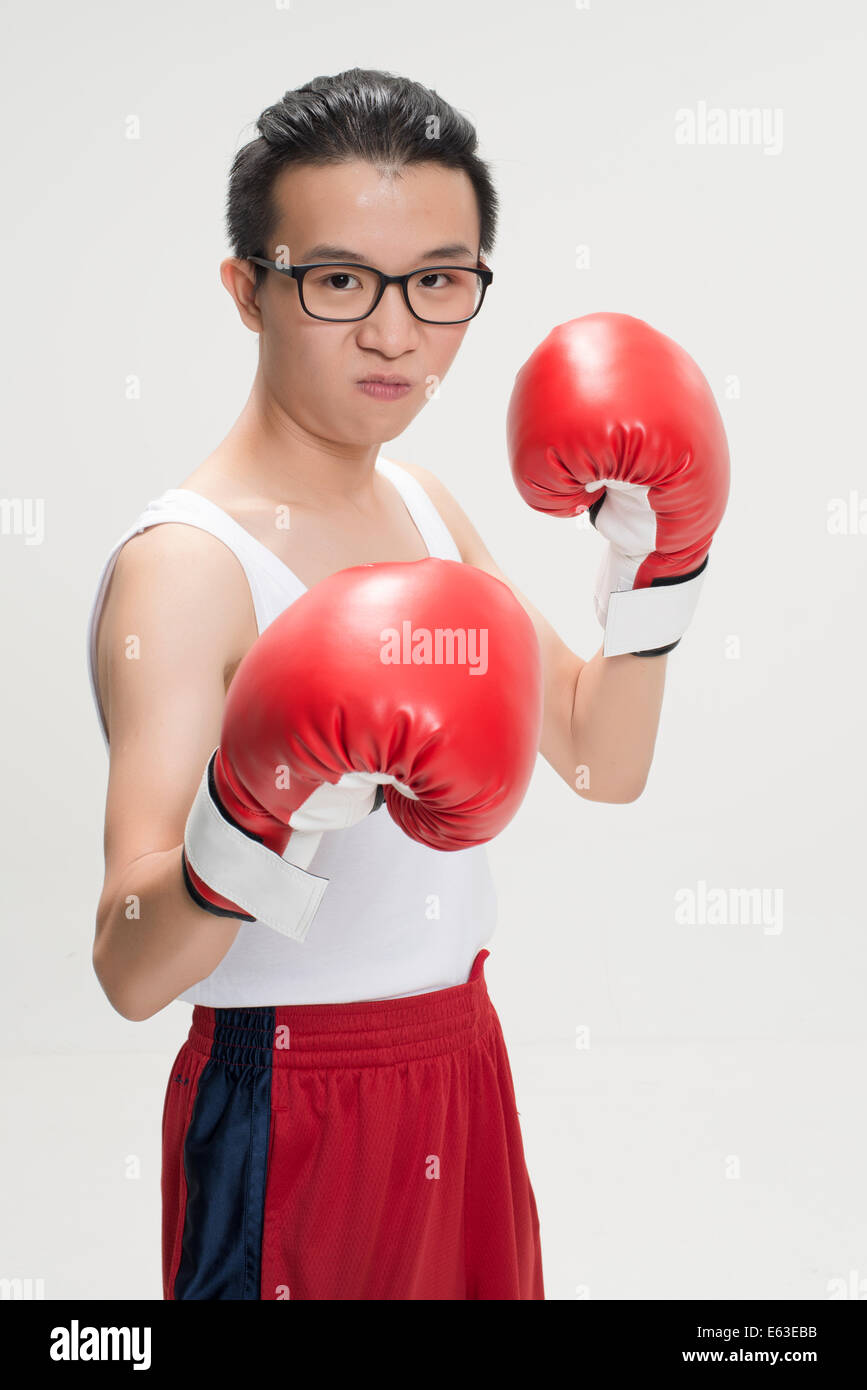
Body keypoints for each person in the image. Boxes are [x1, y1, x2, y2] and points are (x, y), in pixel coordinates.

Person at [86, 68, 727, 1301]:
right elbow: (127, 967)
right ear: (248, 290)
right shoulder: (188, 568)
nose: (395, 332)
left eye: (439, 279)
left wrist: (662, 559)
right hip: (292, 1100)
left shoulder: (426, 506)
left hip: (461, 1062)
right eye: (339, 281)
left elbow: (602, 760)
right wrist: (260, 810)